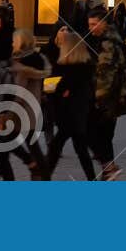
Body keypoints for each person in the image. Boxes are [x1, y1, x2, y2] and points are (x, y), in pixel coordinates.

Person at [0, 29, 49, 180]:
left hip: (21, 113)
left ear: (22, 42)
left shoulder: (22, 64)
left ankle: (38, 172)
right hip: (30, 111)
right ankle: (40, 173)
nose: (12, 44)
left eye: (15, 41)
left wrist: (7, 115)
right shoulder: (36, 59)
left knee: (2, 148)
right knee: (17, 148)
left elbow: (20, 93)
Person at [86, 7, 126, 181]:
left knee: (90, 132)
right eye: (89, 24)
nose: (91, 28)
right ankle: (108, 170)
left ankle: (109, 167)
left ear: (104, 23)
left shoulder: (108, 42)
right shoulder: (107, 38)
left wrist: (97, 99)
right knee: (105, 136)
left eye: (94, 24)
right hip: (114, 97)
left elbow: (105, 74)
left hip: (108, 98)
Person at [44, 28, 96, 180]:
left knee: (56, 147)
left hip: (68, 115)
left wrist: (58, 89)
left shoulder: (69, 68)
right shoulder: (85, 67)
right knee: (79, 149)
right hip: (78, 115)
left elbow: (54, 87)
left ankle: (44, 179)